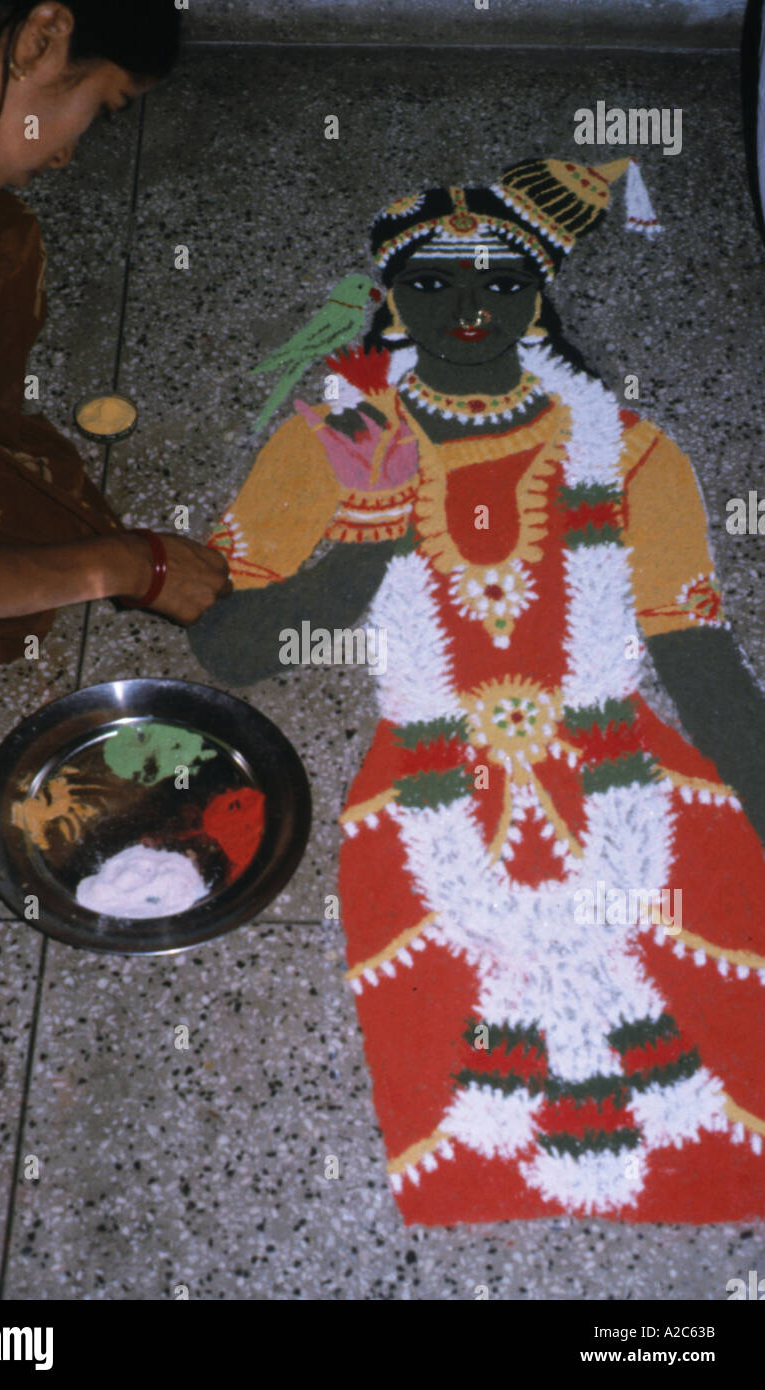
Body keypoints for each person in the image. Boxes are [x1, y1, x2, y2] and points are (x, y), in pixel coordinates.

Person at [190, 158, 765, 1224]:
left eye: (501, 283)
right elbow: (230, 648)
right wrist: (365, 539)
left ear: (537, 296)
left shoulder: (622, 450)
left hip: (619, 763)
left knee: (725, 976)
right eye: (434, 285)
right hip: (428, 780)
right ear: (391, 299)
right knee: (441, 1049)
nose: (468, 310)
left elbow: (693, 653)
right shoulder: (345, 436)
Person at [0, 0, 230, 667]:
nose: (65, 156)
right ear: (42, 35)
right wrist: (128, 567)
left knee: (3, 234)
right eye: (104, 106)